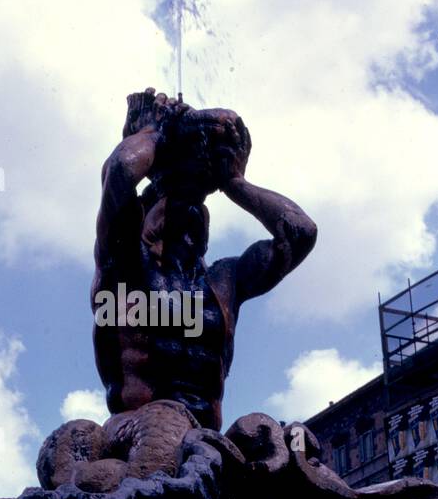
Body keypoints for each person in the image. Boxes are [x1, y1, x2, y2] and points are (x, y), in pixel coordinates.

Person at [92, 88, 318, 430]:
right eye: (170, 209)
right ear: (143, 217)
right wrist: (153, 131)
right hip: (135, 437)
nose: (187, 218)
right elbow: (122, 170)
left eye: (196, 213)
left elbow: (300, 232)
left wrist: (234, 182)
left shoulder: (224, 282)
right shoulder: (124, 267)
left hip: (205, 444)